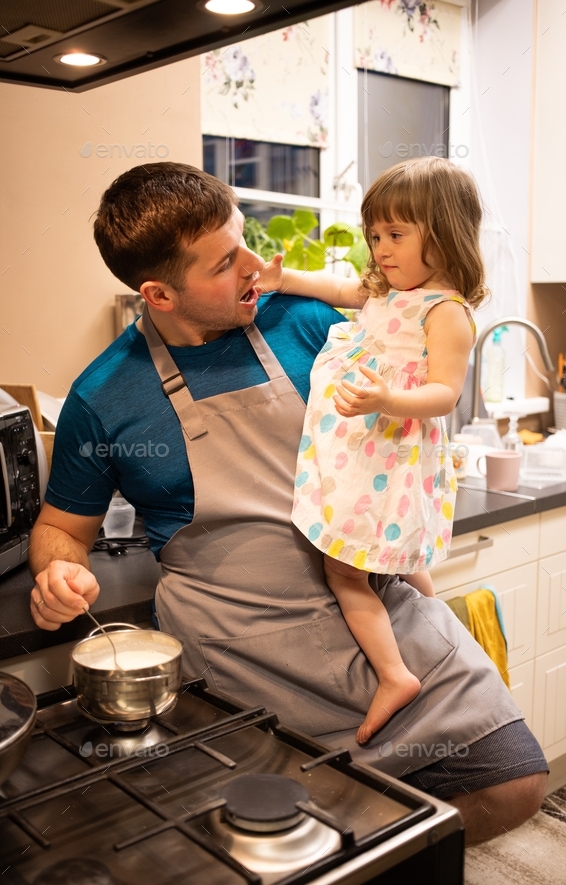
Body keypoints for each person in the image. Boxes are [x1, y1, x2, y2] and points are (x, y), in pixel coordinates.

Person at [28, 162, 547, 846]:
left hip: (373, 605)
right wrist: (55, 572)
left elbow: (408, 407)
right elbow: (61, 528)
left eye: (242, 239)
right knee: (288, 836)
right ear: (158, 292)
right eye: (224, 262)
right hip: (245, 651)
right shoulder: (104, 396)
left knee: (514, 783)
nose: (254, 265)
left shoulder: (305, 323)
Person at [256, 157, 480, 746]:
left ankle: (393, 673)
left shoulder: (445, 312)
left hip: (391, 459)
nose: (381, 248)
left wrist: (389, 397)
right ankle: (438, 630)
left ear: (445, 233)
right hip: (363, 454)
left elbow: (445, 392)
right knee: (402, 559)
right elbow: (336, 287)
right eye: (375, 235)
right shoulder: (386, 292)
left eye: (396, 235)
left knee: (343, 568)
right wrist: (283, 280)